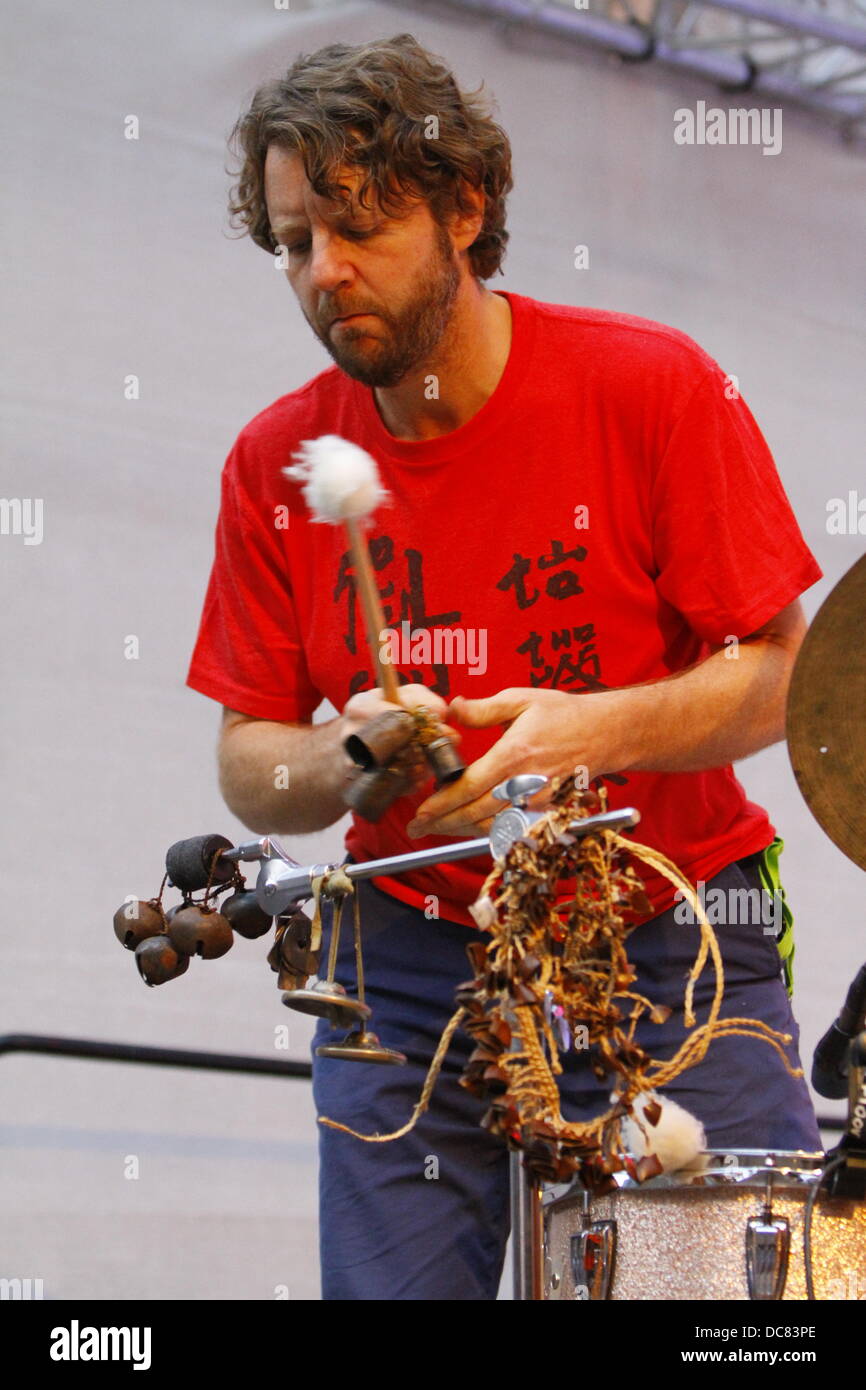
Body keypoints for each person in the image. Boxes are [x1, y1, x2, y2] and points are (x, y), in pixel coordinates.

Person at [186, 33, 823, 1300]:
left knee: (746, 1315)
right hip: (408, 957)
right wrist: (345, 752)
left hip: (668, 922)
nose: (323, 272)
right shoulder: (274, 466)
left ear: (465, 207)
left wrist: (592, 730)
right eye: (294, 241)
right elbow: (252, 767)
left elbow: (781, 676)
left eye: (356, 227)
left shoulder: (654, 388)